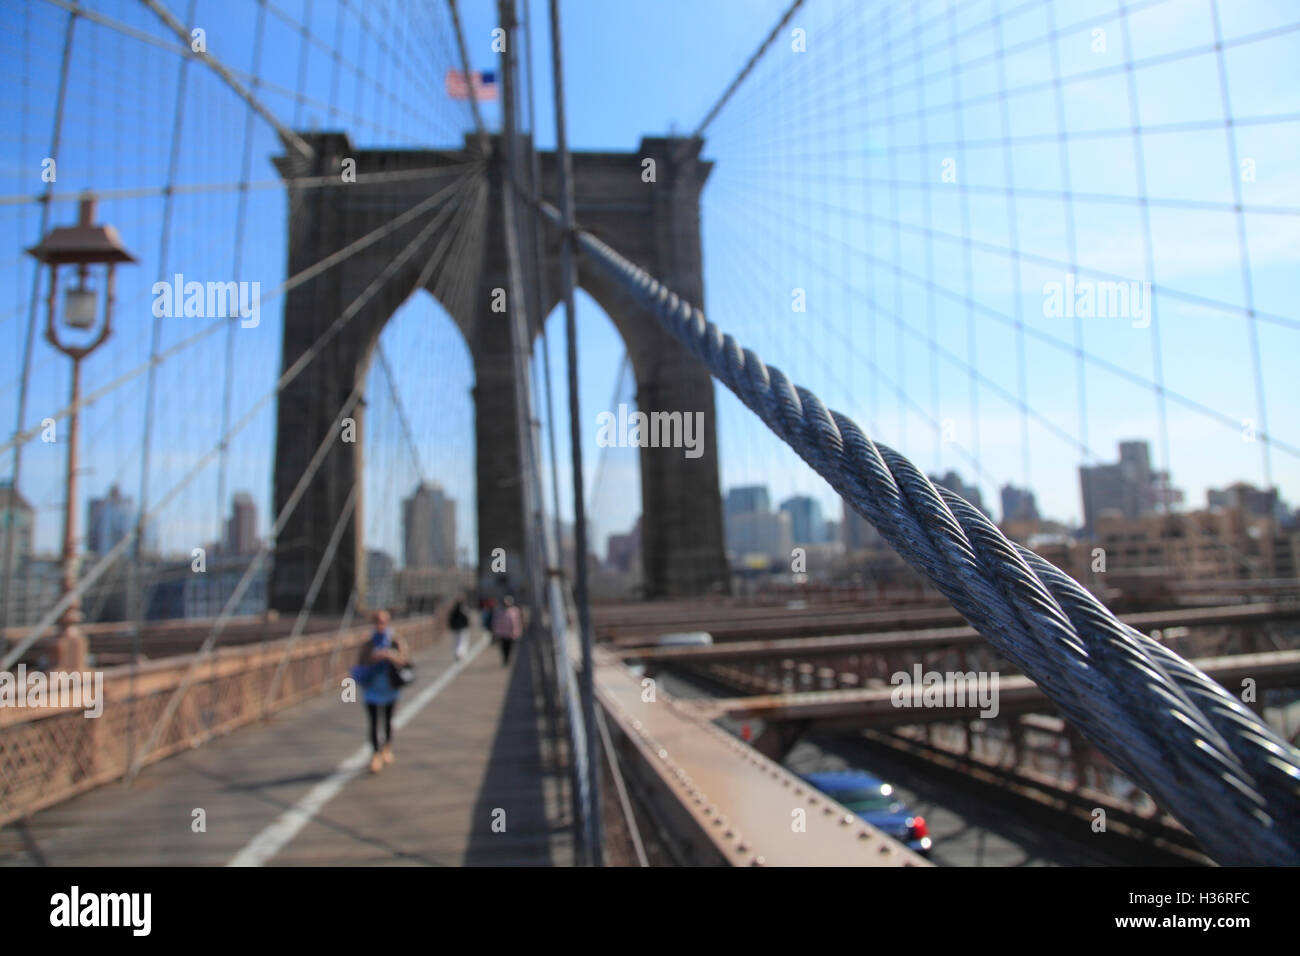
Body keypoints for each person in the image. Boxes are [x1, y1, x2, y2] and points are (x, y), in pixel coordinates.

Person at [355, 610, 407, 774]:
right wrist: (373, 658)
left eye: (383, 621)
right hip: (372, 688)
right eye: (377, 621)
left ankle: (387, 748)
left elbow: (404, 660)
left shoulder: (395, 640)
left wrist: (391, 656)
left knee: (388, 720)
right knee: (373, 722)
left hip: (390, 687)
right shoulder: (368, 643)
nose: (380, 624)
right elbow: (360, 663)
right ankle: (375, 755)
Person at [490, 595, 523, 666]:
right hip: (502, 634)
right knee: (503, 648)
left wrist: (518, 632)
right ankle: (505, 659)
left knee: (510, 647)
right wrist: (495, 632)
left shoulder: (515, 611)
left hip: (511, 634)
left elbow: (517, 623)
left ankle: (508, 659)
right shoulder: (499, 611)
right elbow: (495, 622)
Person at [448, 595, 470, 661]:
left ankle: (457, 654)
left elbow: (450, 620)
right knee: (462, 642)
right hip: (462, 628)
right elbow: (466, 619)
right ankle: (460, 654)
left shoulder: (453, 611)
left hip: (455, 629)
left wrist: (452, 627)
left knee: (456, 642)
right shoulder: (463, 610)